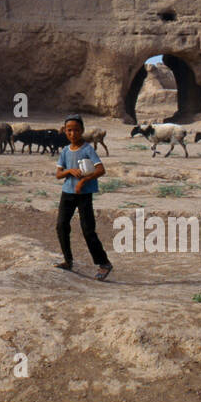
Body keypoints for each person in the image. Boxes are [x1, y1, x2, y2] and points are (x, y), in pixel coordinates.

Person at [53, 115, 113, 280]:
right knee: (61, 226)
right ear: (65, 131)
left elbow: (100, 169)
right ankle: (68, 260)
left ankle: (104, 263)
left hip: (84, 194)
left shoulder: (87, 149)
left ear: (82, 131)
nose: (72, 134)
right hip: (67, 193)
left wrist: (84, 181)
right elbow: (58, 174)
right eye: (69, 130)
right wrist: (69, 171)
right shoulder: (65, 151)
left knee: (88, 229)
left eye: (76, 130)